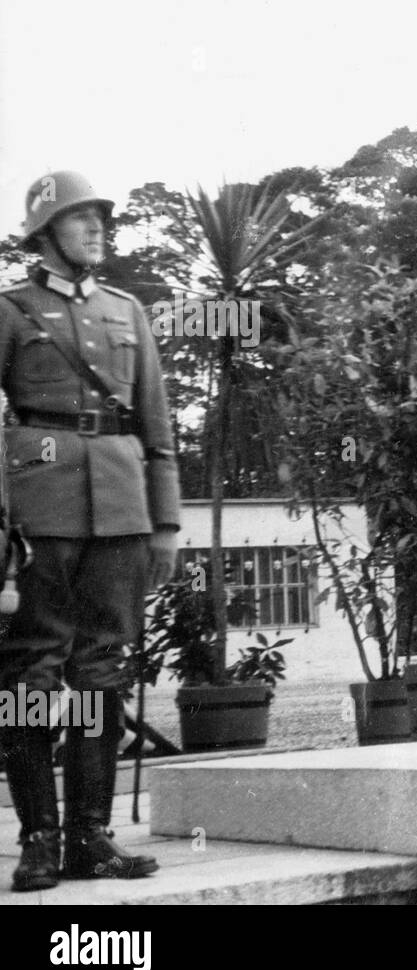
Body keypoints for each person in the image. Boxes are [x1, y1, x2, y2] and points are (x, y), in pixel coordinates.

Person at [0, 171, 180, 890]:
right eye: (82, 220)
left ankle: (90, 836)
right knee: (34, 670)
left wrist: (165, 522)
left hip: (121, 507)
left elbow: (159, 428)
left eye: (102, 219)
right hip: (38, 508)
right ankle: (39, 838)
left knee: (102, 667)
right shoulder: (11, 310)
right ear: (45, 233)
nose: (98, 230)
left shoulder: (125, 309)